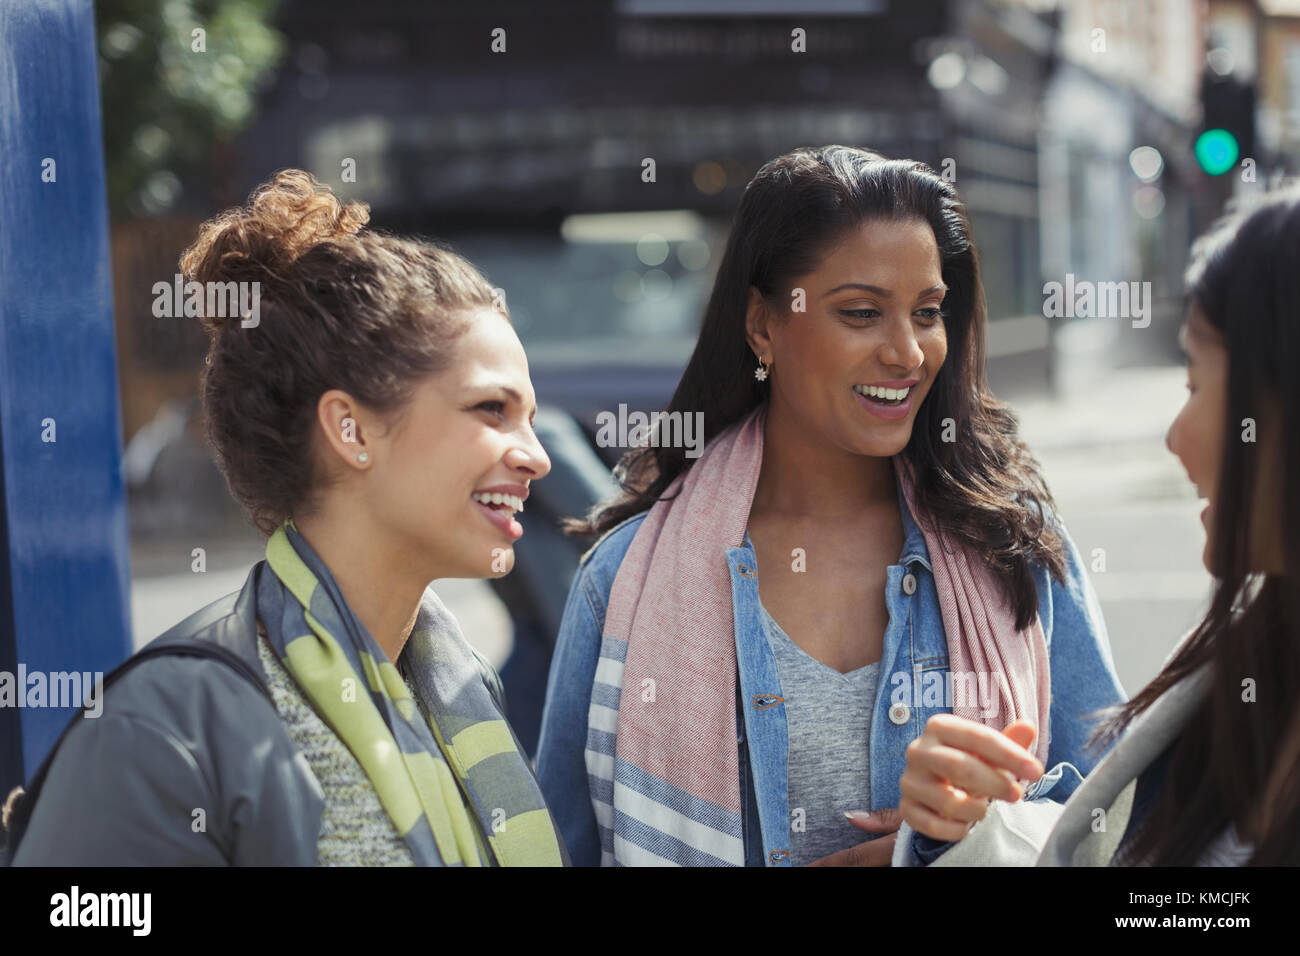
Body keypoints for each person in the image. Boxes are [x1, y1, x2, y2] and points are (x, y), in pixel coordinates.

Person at [535, 145, 1126, 867]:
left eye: (929, 312)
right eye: (861, 313)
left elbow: (1122, 825)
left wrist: (975, 837)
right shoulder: (624, 581)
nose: (908, 353)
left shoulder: (1012, 546)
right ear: (762, 326)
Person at [6, 170, 567, 866]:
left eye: (531, 420)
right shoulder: (161, 728)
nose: (537, 458)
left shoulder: (459, 686)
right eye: (492, 409)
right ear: (352, 430)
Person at [894, 187, 1299, 867]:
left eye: (1195, 383)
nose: (1174, 436)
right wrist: (958, 832)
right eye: (858, 312)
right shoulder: (1252, 666)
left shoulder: (1015, 533)